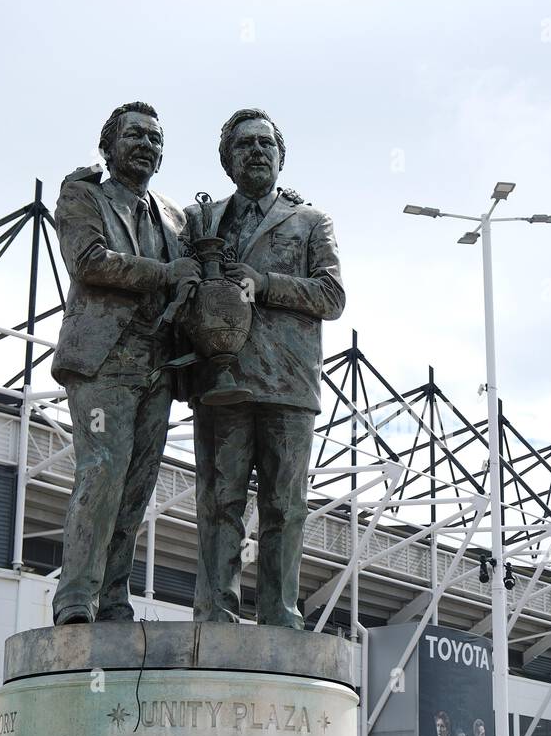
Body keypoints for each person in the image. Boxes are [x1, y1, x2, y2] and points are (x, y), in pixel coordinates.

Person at [185, 107, 345, 629]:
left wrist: (266, 282)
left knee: (285, 507)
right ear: (227, 162)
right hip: (220, 383)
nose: (256, 152)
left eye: (265, 144)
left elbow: (332, 295)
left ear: (280, 157)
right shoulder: (201, 220)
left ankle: (280, 614)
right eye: (244, 145)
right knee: (218, 502)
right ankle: (216, 614)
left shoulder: (311, 221)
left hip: (288, 384)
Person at [49, 101, 199, 625]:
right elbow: (89, 262)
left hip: (158, 365)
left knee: (137, 485)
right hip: (104, 360)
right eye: (134, 135)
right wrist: (166, 273)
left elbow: (206, 256)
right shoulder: (81, 194)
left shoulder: (175, 215)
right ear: (108, 145)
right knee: (103, 471)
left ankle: (113, 598)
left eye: (155, 139)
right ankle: (76, 597)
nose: (146, 145)